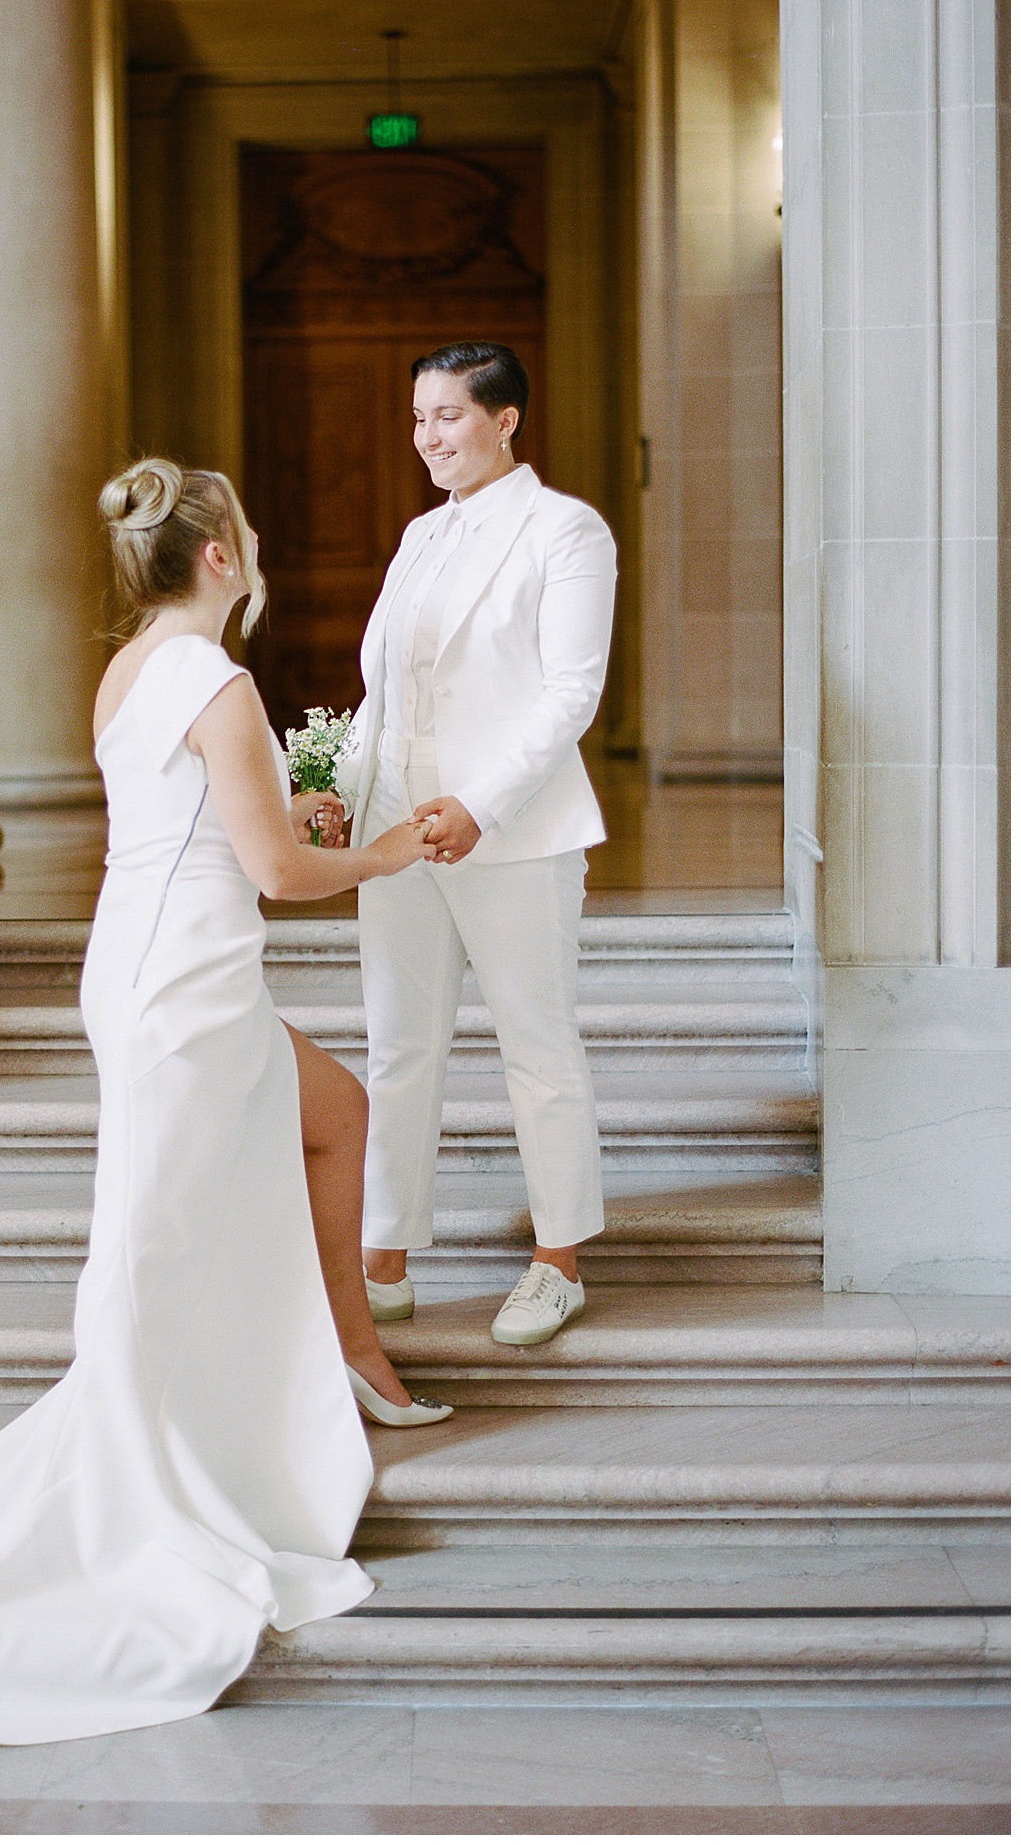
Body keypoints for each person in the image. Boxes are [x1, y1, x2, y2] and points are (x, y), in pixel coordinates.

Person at [0, 458, 445, 1755]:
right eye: (251, 525)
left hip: (150, 962)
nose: (260, 538)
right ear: (220, 553)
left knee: (331, 1113)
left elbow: (212, 832)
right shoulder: (215, 682)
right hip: (189, 983)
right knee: (153, 1234)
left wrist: (294, 807)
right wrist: (387, 847)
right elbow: (274, 870)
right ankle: (125, 1469)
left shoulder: (129, 670)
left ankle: (348, 1349)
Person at [340, 342, 618, 1347]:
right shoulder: (419, 537)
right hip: (399, 837)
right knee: (398, 1047)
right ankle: (383, 1257)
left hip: (517, 833)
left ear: (506, 420)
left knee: (536, 1043)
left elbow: (568, 693)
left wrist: (481, 804)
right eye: (420, 418)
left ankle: (557, 1262)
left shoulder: (567, 531)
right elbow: (386, 693)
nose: (428, 437)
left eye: (448, 416)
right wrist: (339, 794)